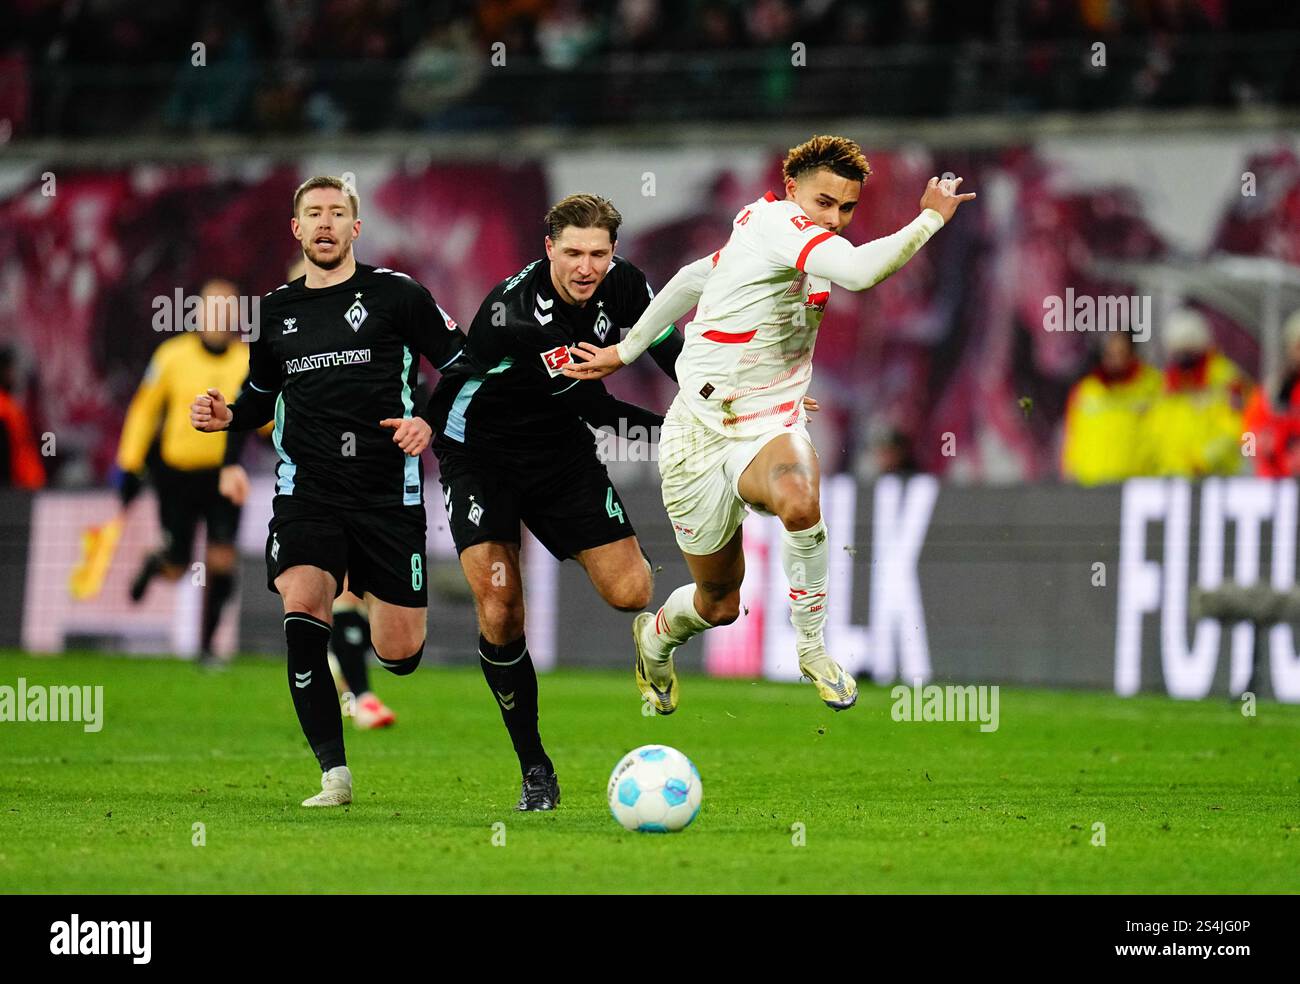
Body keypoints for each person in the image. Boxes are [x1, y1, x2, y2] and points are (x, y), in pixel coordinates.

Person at [563, 134, 974, 713]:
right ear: (791, 192)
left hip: (768, 423)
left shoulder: (784, 239)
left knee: (800, 500)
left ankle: (812, 649)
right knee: (718, 602)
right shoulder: (778, 226)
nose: (834, 218)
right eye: (823, 202)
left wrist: (638, 350)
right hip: (698, 434)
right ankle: (654, 638)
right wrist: (929, 219)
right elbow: (860, 272)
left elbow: (692, 277)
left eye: (847, 207)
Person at [190, 175, 463, 807]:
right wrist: (229, 415)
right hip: (307, 488)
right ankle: (333, 775)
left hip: (387, 492)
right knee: (305, 601)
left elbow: (460, 361)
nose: (324, 223)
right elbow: (260, 395)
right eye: (313, 213)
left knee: (400, 650)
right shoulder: (277, 312)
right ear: (296, 228)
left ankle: (371, 637)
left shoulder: (398, 294)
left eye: (337, 213)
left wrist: (429, 419)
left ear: (355, 228)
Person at [425, 193, 683, 810]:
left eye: (598, 253)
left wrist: (727, 400)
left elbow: (671, 348)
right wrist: (681, 431)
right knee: (501, 606)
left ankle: (644, 625)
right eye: (572, 253)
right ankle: (534, 766)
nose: (585, 267)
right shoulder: (517, 312)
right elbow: (593, 405)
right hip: (479, 452)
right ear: (549, 249)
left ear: (613, 252)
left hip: (558, 452)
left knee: (633, 593)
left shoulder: (626, 285)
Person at [221, 257, 398, 728]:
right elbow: (249, 402)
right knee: (333, 593)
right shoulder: (280, 329)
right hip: (305, 482)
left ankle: (350, 676)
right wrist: (230, 464)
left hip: (370, 484)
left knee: (360, 604)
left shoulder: (369, 332)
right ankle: (361, 696)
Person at [116, 279, 250, 664]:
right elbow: (145, 410)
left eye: (228, 309)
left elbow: (264, 417)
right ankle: (157, 562)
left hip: (224, 474)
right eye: (213, 307)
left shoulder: (248, 362)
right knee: (178, 567)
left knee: (222, 557)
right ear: (199, 313)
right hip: (176, 475)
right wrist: (130, 464)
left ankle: (207, 648)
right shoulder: (172, 356)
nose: (220, 316)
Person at [1145, 308, 1250, 478]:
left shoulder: (1224, 378)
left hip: (1215, 475)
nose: (1181, 356)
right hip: (1172, 476)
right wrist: (1163, 465)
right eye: (1176, 349)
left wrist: (1202, 460)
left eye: (1187, 348)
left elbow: (1236, 427)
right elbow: (1156, 428)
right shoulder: (1168, 383)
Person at [1060, 331, 1162, 485]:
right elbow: (1072, 437)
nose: (1116, 359)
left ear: (1132, 352)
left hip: (1138, 484)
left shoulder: (1152, 385)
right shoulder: (1087, 390)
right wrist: (1070, 474)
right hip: (1092, 486)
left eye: (1121, 352)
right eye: (1110, 353)